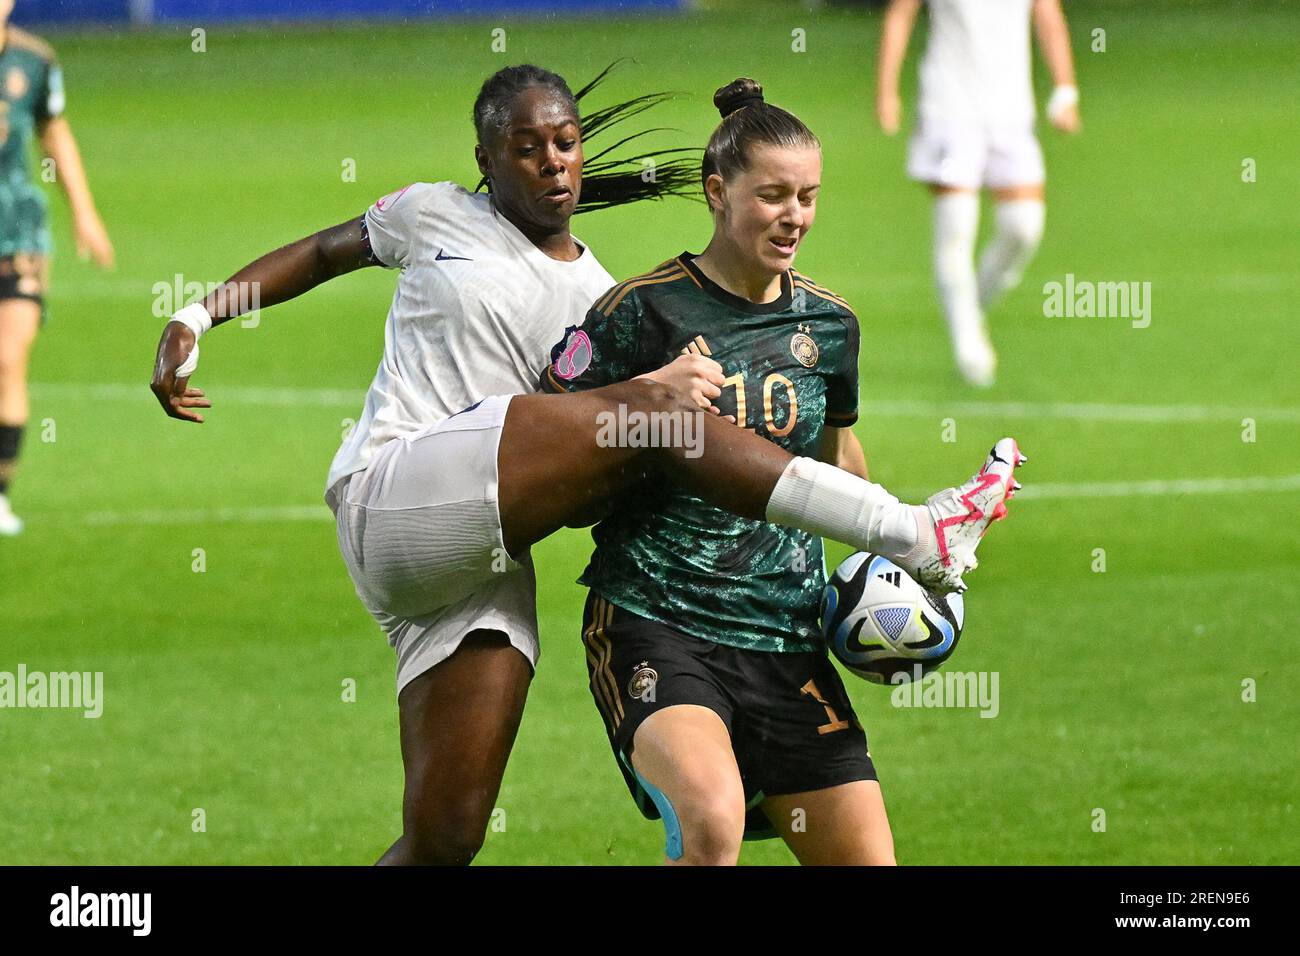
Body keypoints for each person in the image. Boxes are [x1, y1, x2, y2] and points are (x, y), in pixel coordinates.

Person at [151, 65, 1022, 866]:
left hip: (482, 560)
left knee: (444, 840)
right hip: (397, 489)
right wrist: (197, 314)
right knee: (666, 408)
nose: (551, 162)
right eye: (525, 148)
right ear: (485, 158)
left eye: (564, 142)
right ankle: (916, 530)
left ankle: (821, 630)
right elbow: (320, 253)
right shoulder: (434, 213)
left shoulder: (602, 299)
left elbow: (597, 492)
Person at [543, 78, 1005, 865]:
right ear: (718, 193)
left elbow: (840, 465)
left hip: (787, 636)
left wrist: (907, 562)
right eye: (773, 196)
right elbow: (544, 433)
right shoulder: (643, 312)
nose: (794, 216)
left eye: (808, 197)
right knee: (712, 825)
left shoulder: (829, 325)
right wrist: (648, 397)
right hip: (658, 620)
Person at [876, 0, 1080, 386]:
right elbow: (900, 14)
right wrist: (887, 91)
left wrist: (1065, 88)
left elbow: (1048, 14)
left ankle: (970, 306)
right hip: (948, 106)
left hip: (1011, 109)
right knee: (956, 227)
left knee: (1023, 228)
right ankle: (968, 344)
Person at [0, 1, 115, 536]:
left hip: (18, 231)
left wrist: (85, 214)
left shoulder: (34, 60)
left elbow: (55, 134)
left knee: (7, 355)